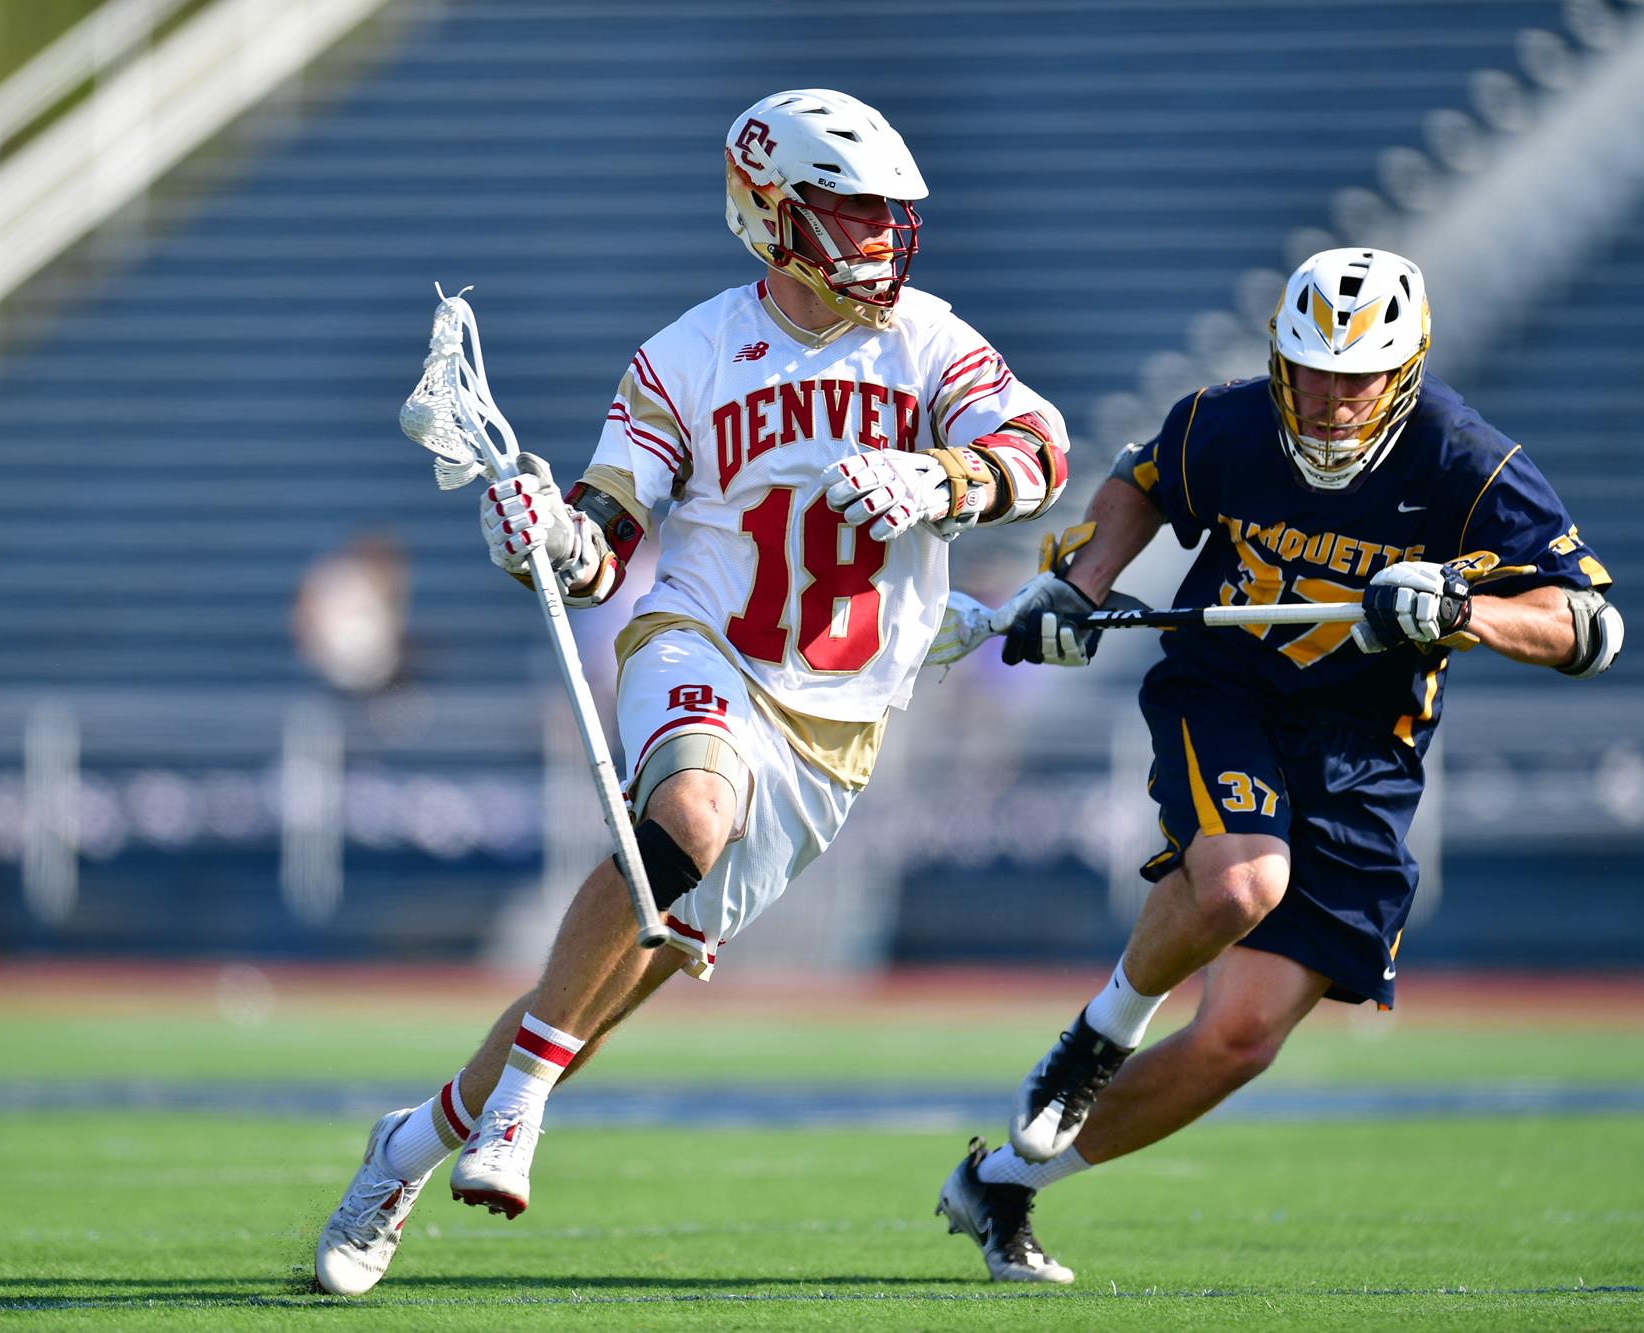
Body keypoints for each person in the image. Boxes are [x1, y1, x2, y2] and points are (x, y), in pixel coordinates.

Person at [314, 87, 1075, 1295]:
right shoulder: (689, 352)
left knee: (627, 969)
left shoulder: (929, 339)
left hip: (836, 725)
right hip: (702, 646)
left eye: (887, 214)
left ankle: (412, 1141)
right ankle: (517, 1105)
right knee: (685, 821)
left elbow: (1037, 450)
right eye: (846, 212)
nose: (877, 236)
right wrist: (549, 537)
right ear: (768, 213)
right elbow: (612, 538)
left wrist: (939, 480)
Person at [933, 246, 1623, 1282]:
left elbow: (1585, 625)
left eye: (1361, 376)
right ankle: (1093, 1039)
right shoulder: (1228, 421)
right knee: (1241, 883)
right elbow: (1139, 480)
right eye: (1311, 370)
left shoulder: (1462, 461)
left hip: (1363, 750)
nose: (1334, 398)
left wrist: (1459, 609)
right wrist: (1081, 584)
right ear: (1277, 358)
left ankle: (1003, 1185)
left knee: (1239, 1038)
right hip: (1226, 693)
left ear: (1407, 368)